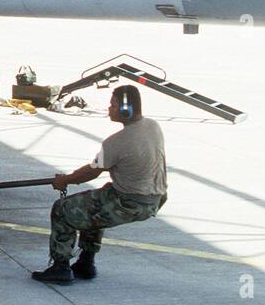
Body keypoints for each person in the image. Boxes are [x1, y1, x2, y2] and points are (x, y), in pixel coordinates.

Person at [33, 85, 167, 284]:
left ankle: (60, 267)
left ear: (125, 109)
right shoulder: (153, 126)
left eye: (112, 105)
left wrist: (64, 180)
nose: (109, 109)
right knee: (94, 202)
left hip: (129, 203)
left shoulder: (116, 142)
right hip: (154, 200)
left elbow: (91, 172)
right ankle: (86, 263)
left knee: (62, 209)